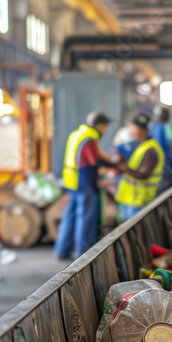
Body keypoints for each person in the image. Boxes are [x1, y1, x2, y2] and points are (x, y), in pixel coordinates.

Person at [56, 112, 115, 261]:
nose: (105, 131)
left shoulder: (77, 134)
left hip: (72, 179)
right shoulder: (90, 138)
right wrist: (116, 164)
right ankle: (83, 255)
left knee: (71, 214)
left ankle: (63, 249)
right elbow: (95, 161)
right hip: (84, 181)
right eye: (105, 127)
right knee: (86, 218)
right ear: (99, 125)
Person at [116, 112, 164, 221]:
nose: (131, 132)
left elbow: (143, 175)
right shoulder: (141, 146)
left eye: (133, 129)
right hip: (129, 199)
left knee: (134, 234)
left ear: (142, 131)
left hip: (139, 200)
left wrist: (123, 168)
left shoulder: (151, 149)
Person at [150, 107, 172, 191]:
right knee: (166, 187)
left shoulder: (153, 127)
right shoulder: (166, 127)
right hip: (166, 162)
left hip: (156, 161)